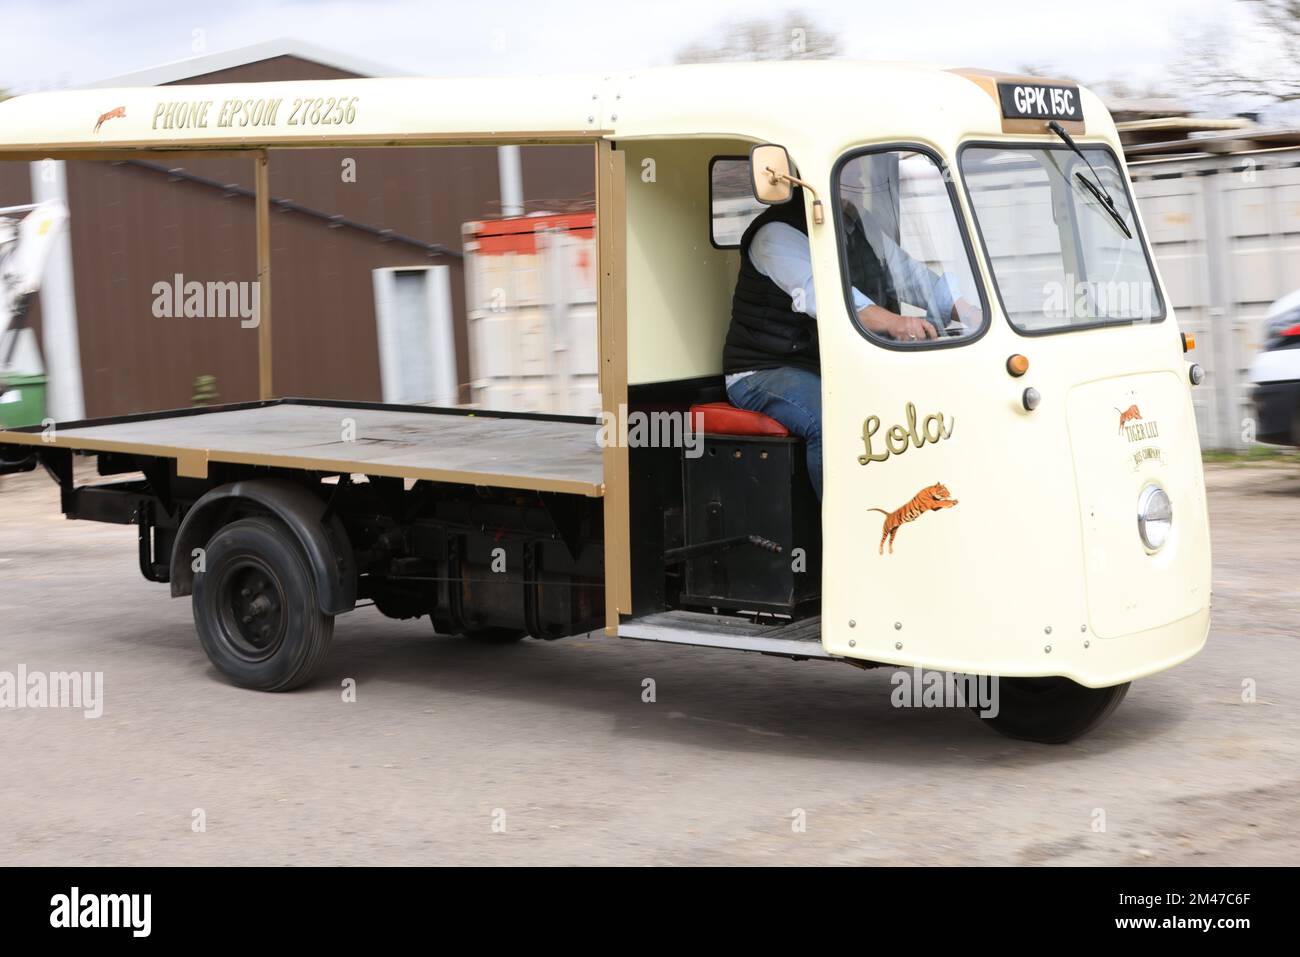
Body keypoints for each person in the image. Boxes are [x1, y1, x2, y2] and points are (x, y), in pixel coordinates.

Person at [722, 186, 979, 500]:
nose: (861, 184)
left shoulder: (854, 224)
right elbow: (826, 297)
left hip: (823, 364)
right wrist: (897, 323)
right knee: (832, 420)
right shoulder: (775, 234)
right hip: (762, 369)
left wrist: (968, 312)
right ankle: (837, 533)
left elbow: (909, 274)